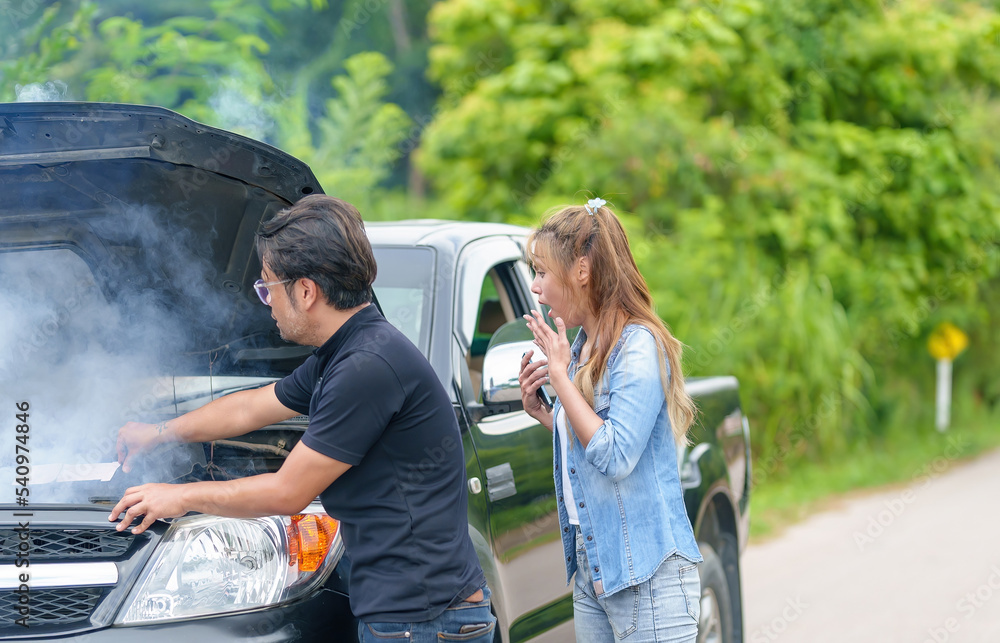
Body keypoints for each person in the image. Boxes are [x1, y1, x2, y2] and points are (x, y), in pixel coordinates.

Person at [110, 194, 495, 643]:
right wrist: (158, 434)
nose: (265, 302)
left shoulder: (366, 366)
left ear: (306, 291)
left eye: (267, 288)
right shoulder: (346, 351)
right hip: (415, 616)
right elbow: (251, 407)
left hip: (424, 623)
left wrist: (179, 496)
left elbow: (287, 491)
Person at [517, 198, 702, 642]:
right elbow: (590, 449)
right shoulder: (580, 346)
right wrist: (547, 414)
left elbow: (616, 455)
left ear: (582, 269)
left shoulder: (638, 345)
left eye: (542, 272)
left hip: (649, 578)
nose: (537, 289)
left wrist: (560, 379)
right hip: (592, 566)